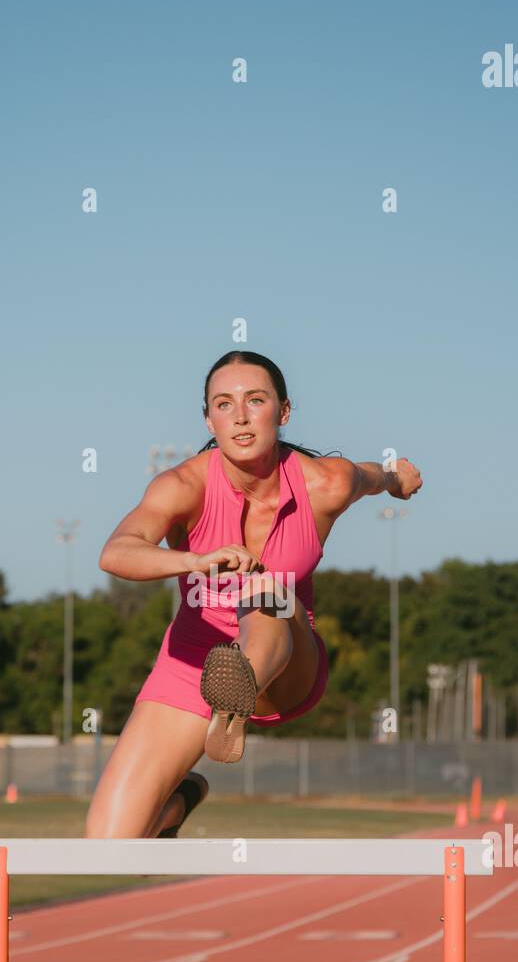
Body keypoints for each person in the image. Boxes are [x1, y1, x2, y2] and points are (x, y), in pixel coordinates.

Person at [85, 350, 422, 838]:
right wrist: (194, 560)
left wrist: (396, 479)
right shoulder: (183, 485)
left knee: (263, 588)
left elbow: (370, 476)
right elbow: (116, 552)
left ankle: (239, 689)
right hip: (194, 660)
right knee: (106, 847)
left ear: (283, 412)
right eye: (224, 404)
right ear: (208, 418)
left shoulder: (325, 482)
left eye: (255, 400)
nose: (240, 416)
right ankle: (179, 802)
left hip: (284, 659)